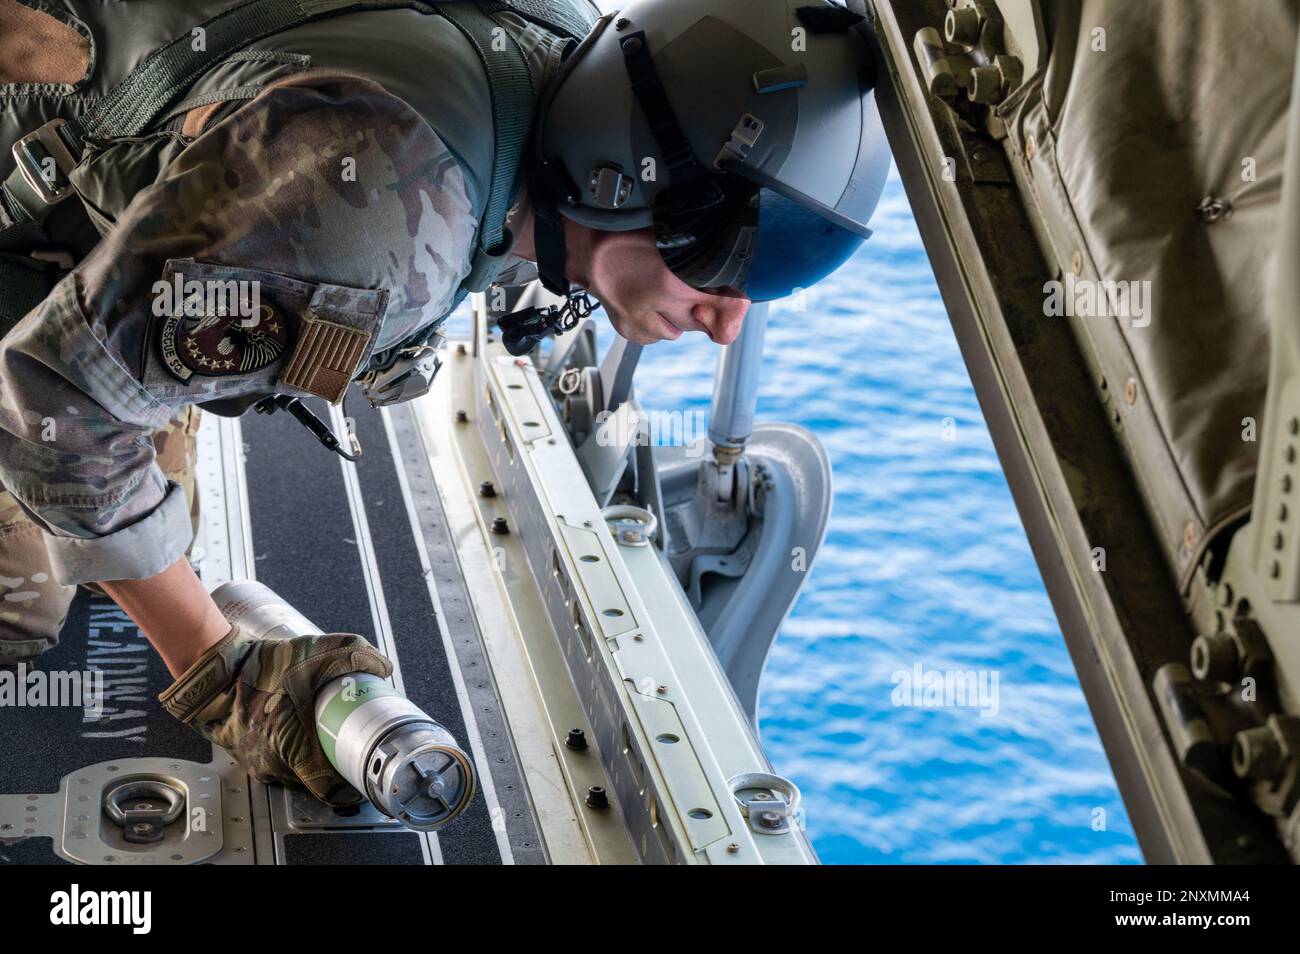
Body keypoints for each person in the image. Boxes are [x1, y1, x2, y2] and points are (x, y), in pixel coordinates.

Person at [0, 0, 886, 804]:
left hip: (119, 173)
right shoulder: (379, 204)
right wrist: (223, 671)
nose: (729, 323)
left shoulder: (567, 62)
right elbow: (55, 402)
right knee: (31, 597)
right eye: (726, 260)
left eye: (769, 275)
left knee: (143, 521)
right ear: (620, 180)